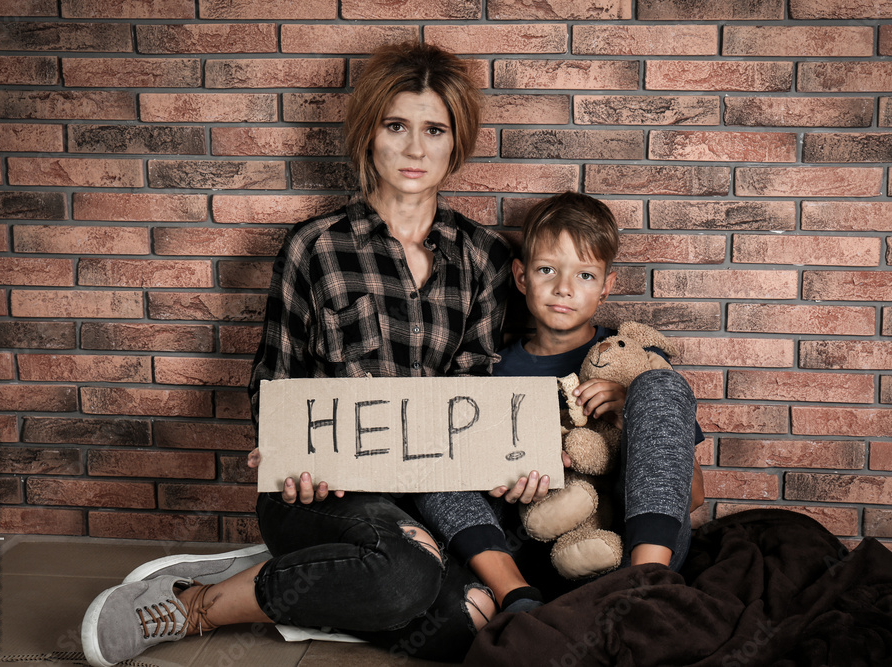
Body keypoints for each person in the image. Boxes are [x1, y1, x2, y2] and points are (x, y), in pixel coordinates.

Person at [81, 41, 541, 667]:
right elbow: (276, 379)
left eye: (434, 130)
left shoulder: (483, 256)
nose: (414, 149)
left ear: (455, 142)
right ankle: (198, 603)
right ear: (368, 133)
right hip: (326, 493)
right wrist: (288, 454)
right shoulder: (316, 248)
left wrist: (515, 458)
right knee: (401, 579)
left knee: (469, 623)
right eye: (396, 126)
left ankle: (314, 579)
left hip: (431, 498)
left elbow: (480, 393)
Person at [415, 192, 706, 602]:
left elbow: (693, 496)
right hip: (538, 554)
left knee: (660, 386)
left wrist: (627, 415)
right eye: (547, 270)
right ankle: (515, 597)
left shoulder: (633, 361)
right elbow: (475, 484)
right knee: (432, 450)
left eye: (584, 276)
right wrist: (504, 482)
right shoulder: (492, 374)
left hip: (633, 548)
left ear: (606, 287)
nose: (564, 289)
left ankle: (644, 592)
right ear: (521, 277)